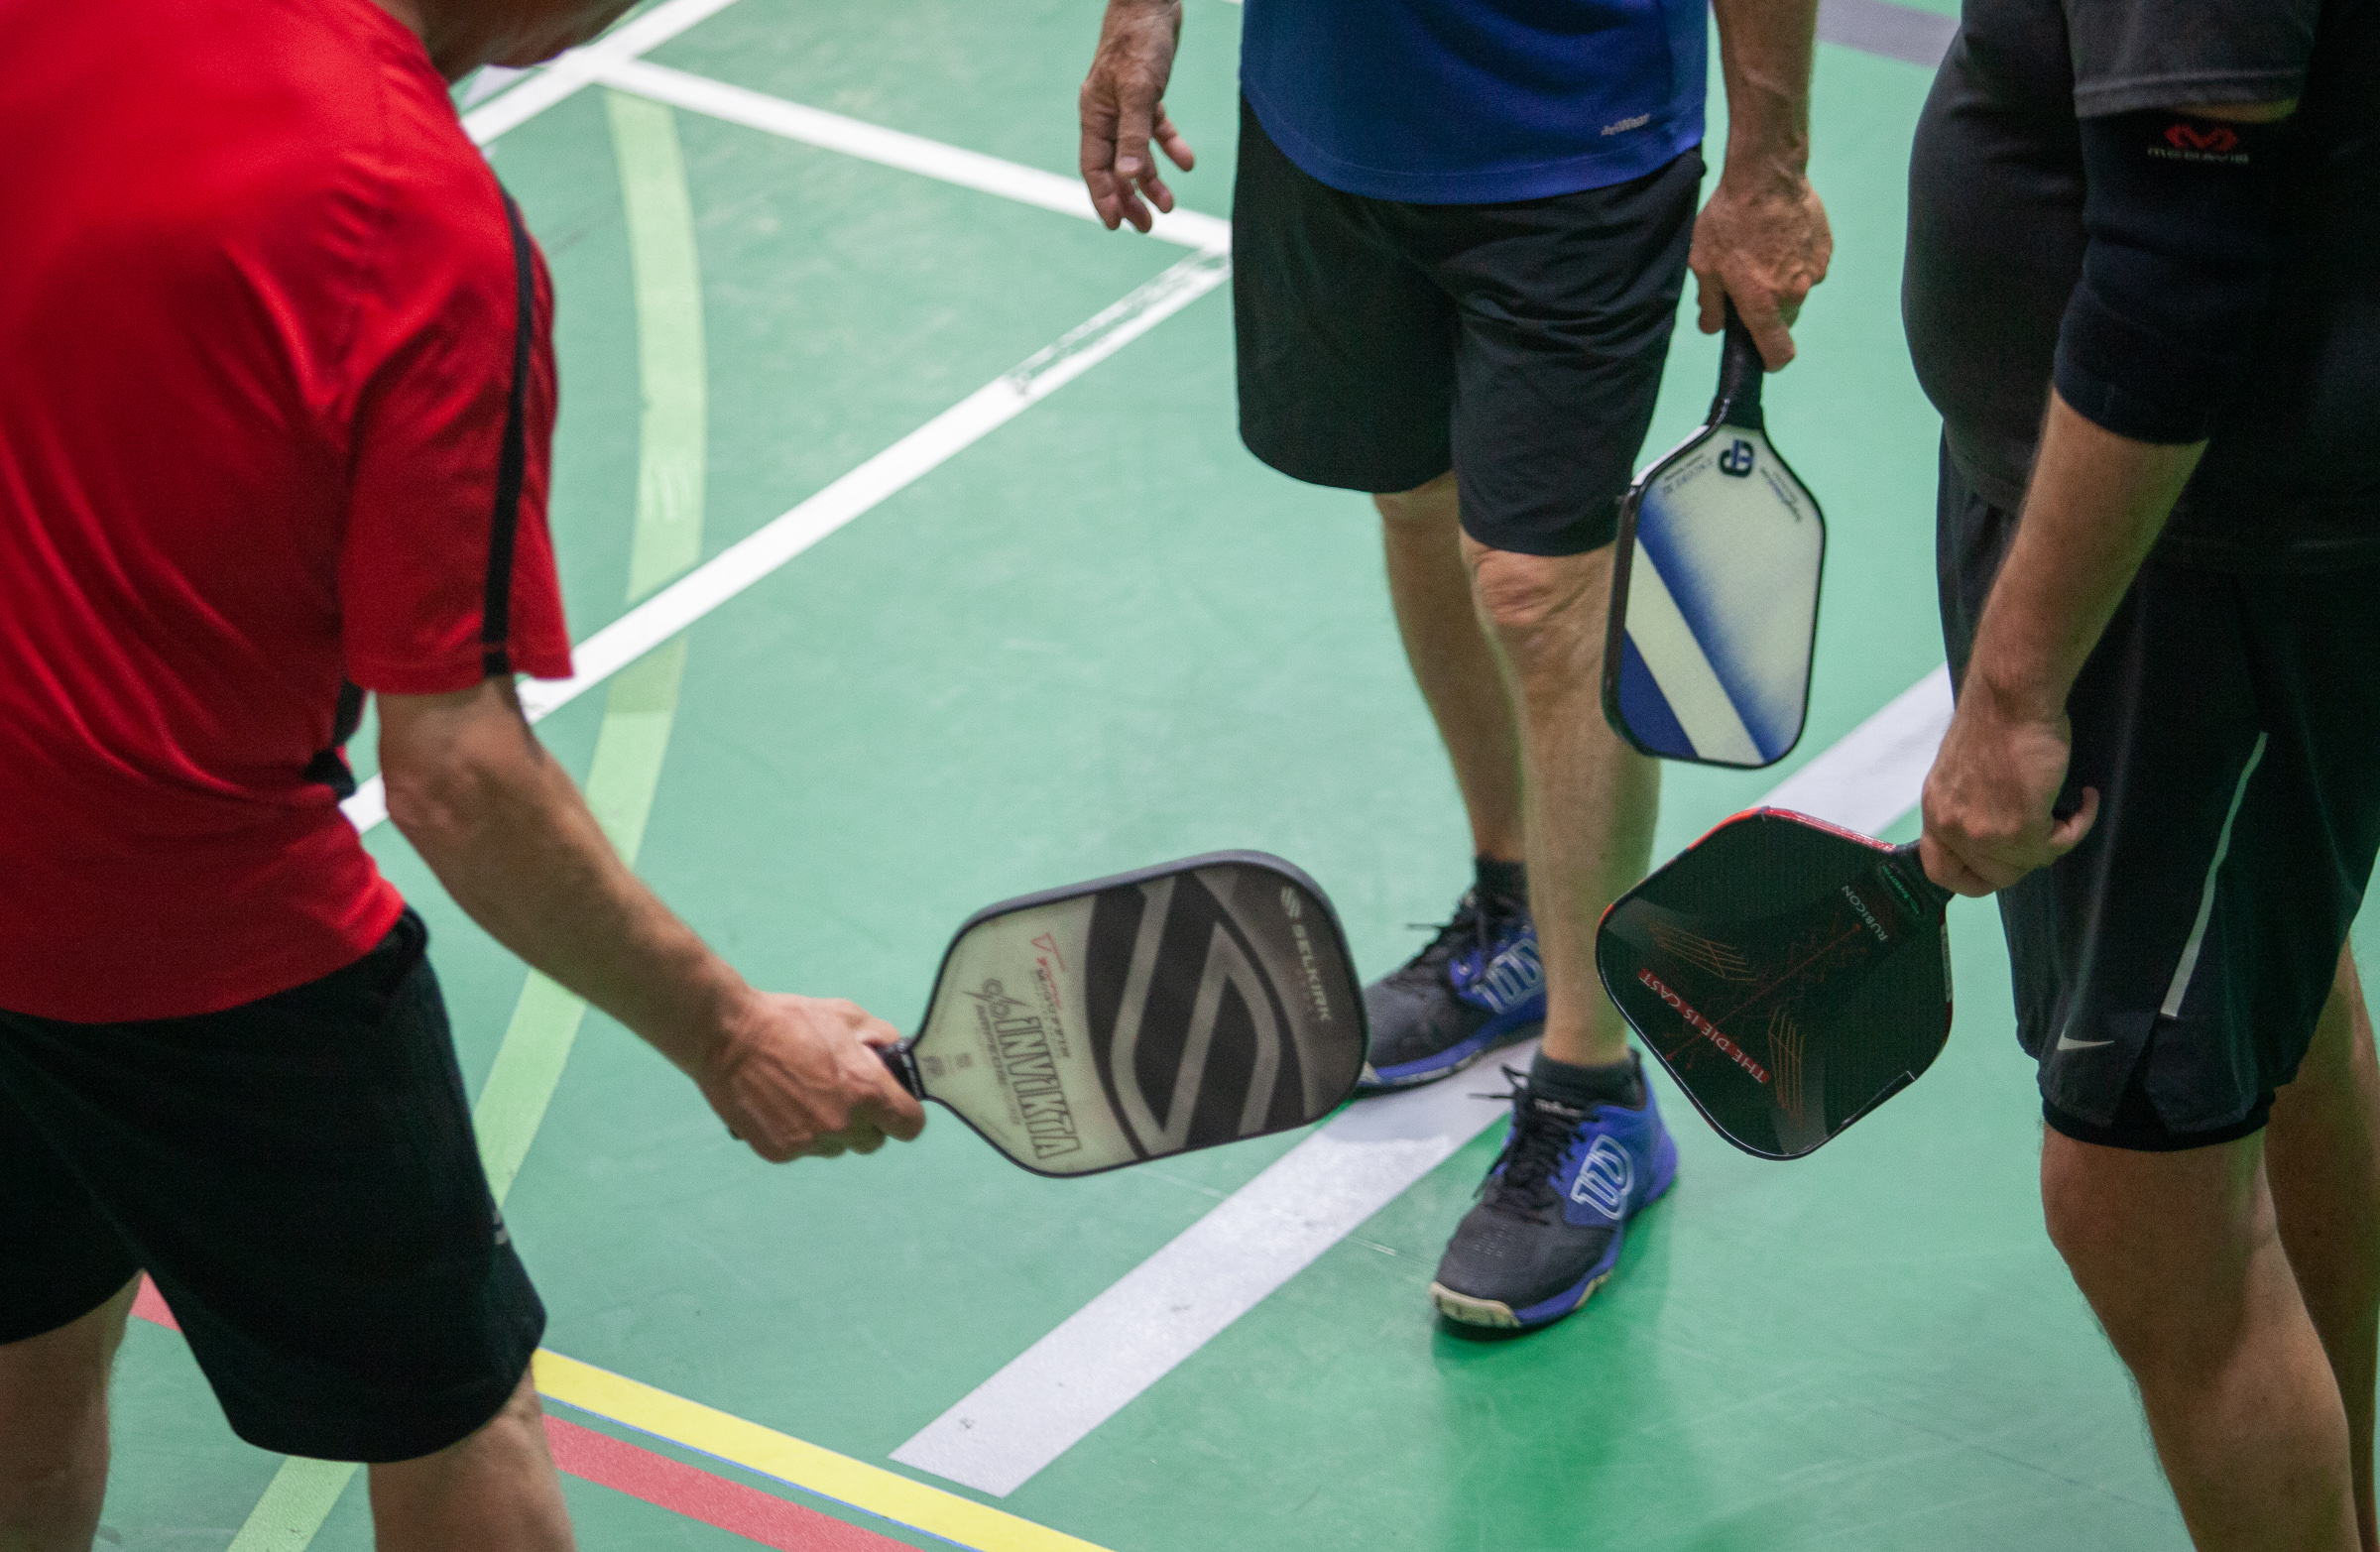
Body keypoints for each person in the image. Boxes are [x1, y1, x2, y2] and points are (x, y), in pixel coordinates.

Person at [0, 0, 925, 1545]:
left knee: (26, 1338)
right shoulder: (418, 223)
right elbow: (458, 771)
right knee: (452, 1410)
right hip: (177, 924)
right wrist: (730, 1031)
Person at [1075, 0, 1831, 1327]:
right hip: (1323, 116)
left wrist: (1769, 165)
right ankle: (1515, 912)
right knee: (1413, 495)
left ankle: (1595, 1090)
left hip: (1571, 132)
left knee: (1540, 588)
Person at [1905, 0, 2380, 1545]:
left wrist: (2016, 688)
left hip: (2187, 566)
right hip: (2167, 528)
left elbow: (2178, 271)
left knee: (2141, 1198)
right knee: (2279, 1012)